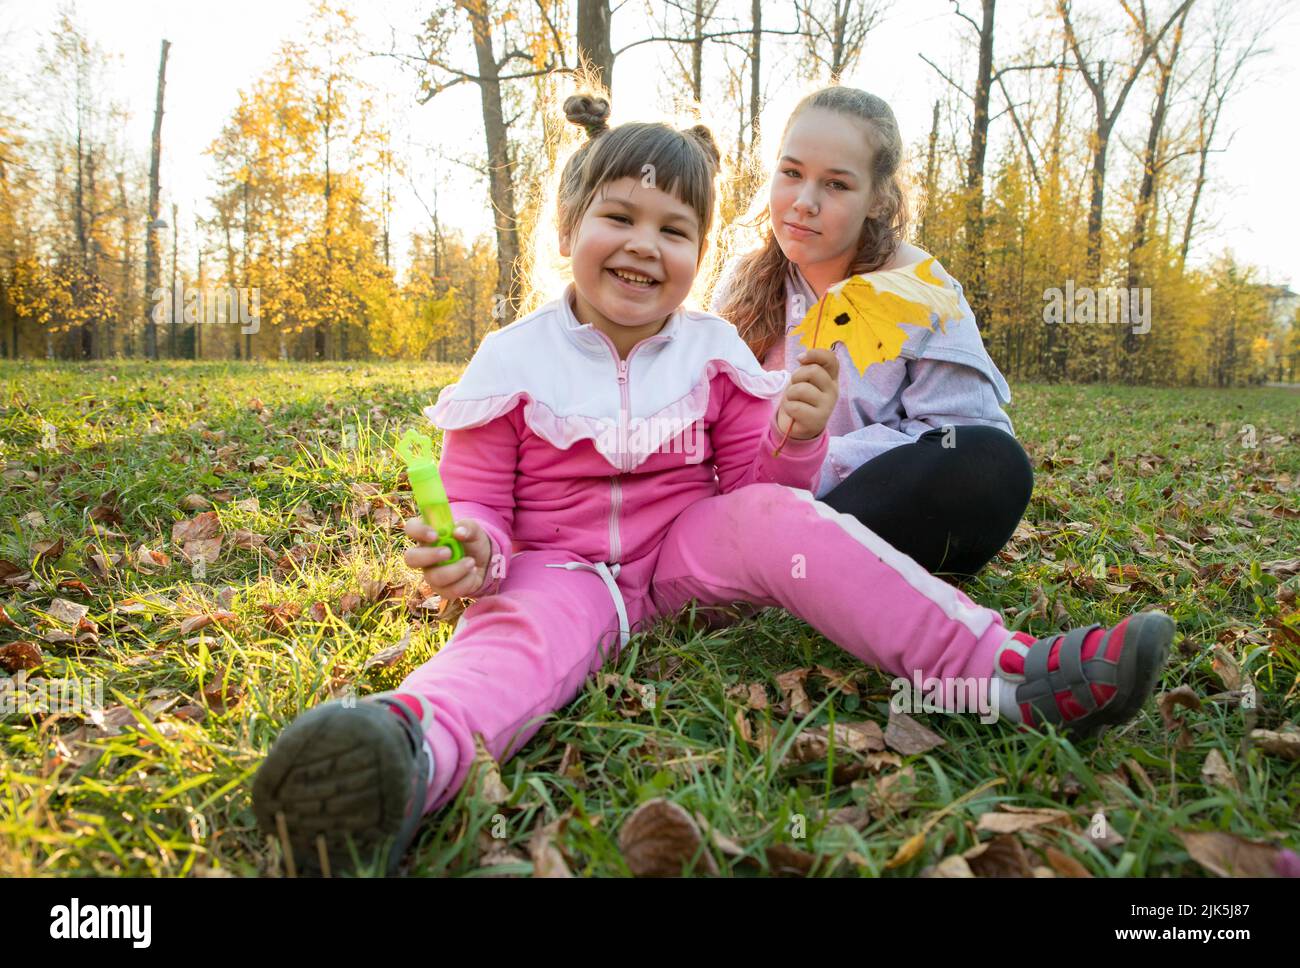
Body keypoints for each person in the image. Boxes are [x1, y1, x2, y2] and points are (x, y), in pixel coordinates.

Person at [252, 91, 1173, 877]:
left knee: (779, 519)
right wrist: (477, 550)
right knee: (514, 647)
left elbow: (753, 486)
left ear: (700, 250)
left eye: (675, 230)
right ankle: (406, 748)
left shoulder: (714, 351)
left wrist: (796, 436)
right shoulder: (512, 359)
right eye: (620, 218)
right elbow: (480, 501)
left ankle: (999, 673)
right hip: (560, 574)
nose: (644, 246)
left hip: (683, 551)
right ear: (571, 224)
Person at [715, 86, 1032, 581]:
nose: (804, 202)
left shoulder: (923, 292)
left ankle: (803, 564)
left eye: (836, 185)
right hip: (748, 495)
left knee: (993, 463)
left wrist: (817, 455)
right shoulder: (743, 281)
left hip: (862, 507)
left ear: (878, 198)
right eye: (791, 173)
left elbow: (961, 440)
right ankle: (773, 561)